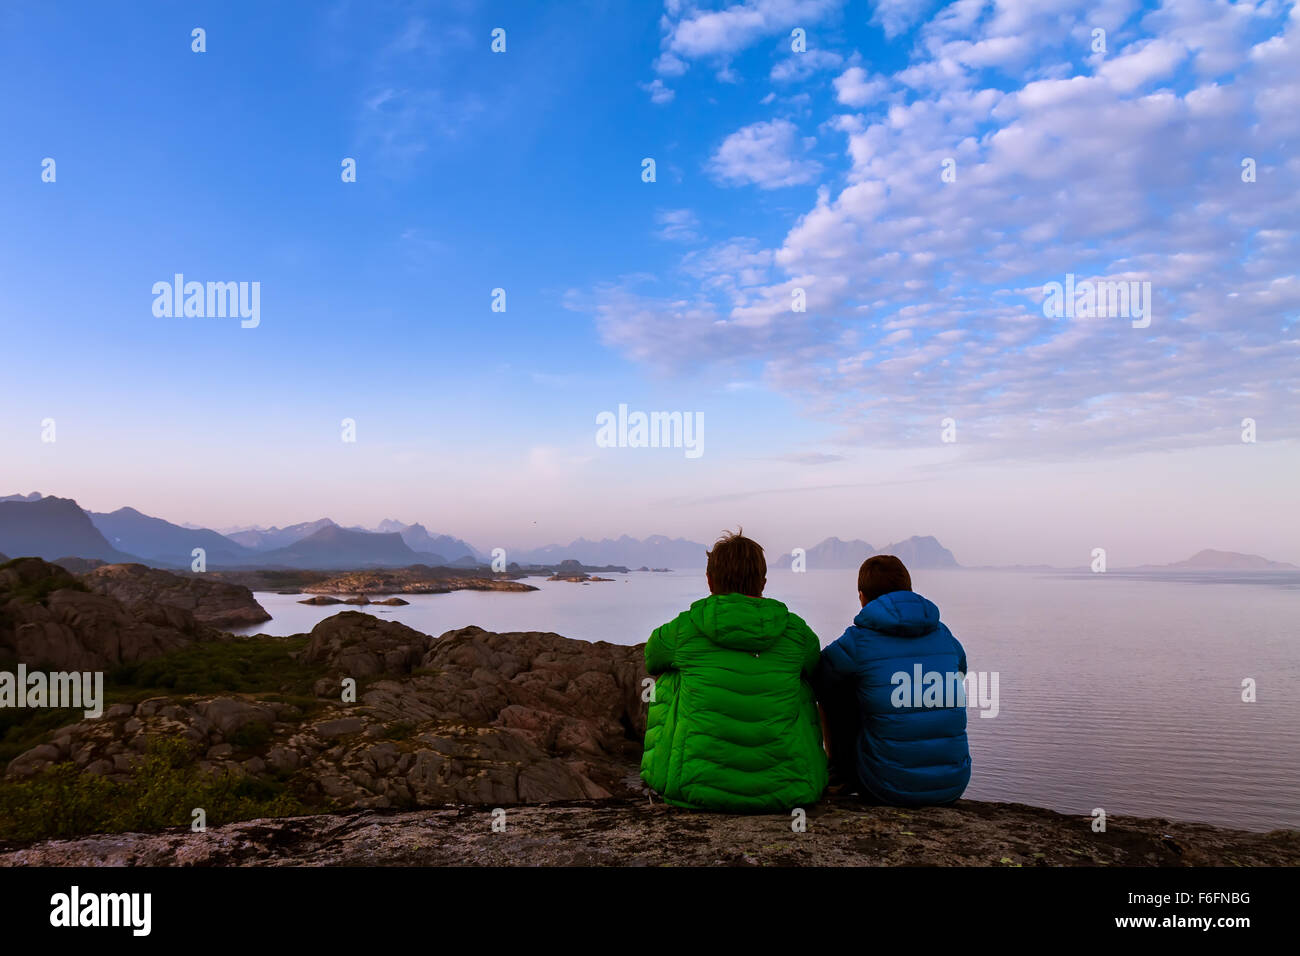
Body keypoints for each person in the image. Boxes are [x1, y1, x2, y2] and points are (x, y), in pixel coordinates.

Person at [640, 529, 828, 811]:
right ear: (763, 583)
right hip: (790, 790)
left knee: (671, 675)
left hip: (692, 788)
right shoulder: (796, 631)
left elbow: (651, 658)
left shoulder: (685, 628)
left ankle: (682, 770)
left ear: (709, 581)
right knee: (798, 679)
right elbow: (816, 668)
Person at [813, 554, 971, 806]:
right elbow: (960, 670)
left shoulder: (858, 640)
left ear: (862, 597)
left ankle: (839, 773)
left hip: (885, 786)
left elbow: (818, 678)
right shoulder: (944, 634)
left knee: (836, 690)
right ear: (909, 591)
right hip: (952, 784)